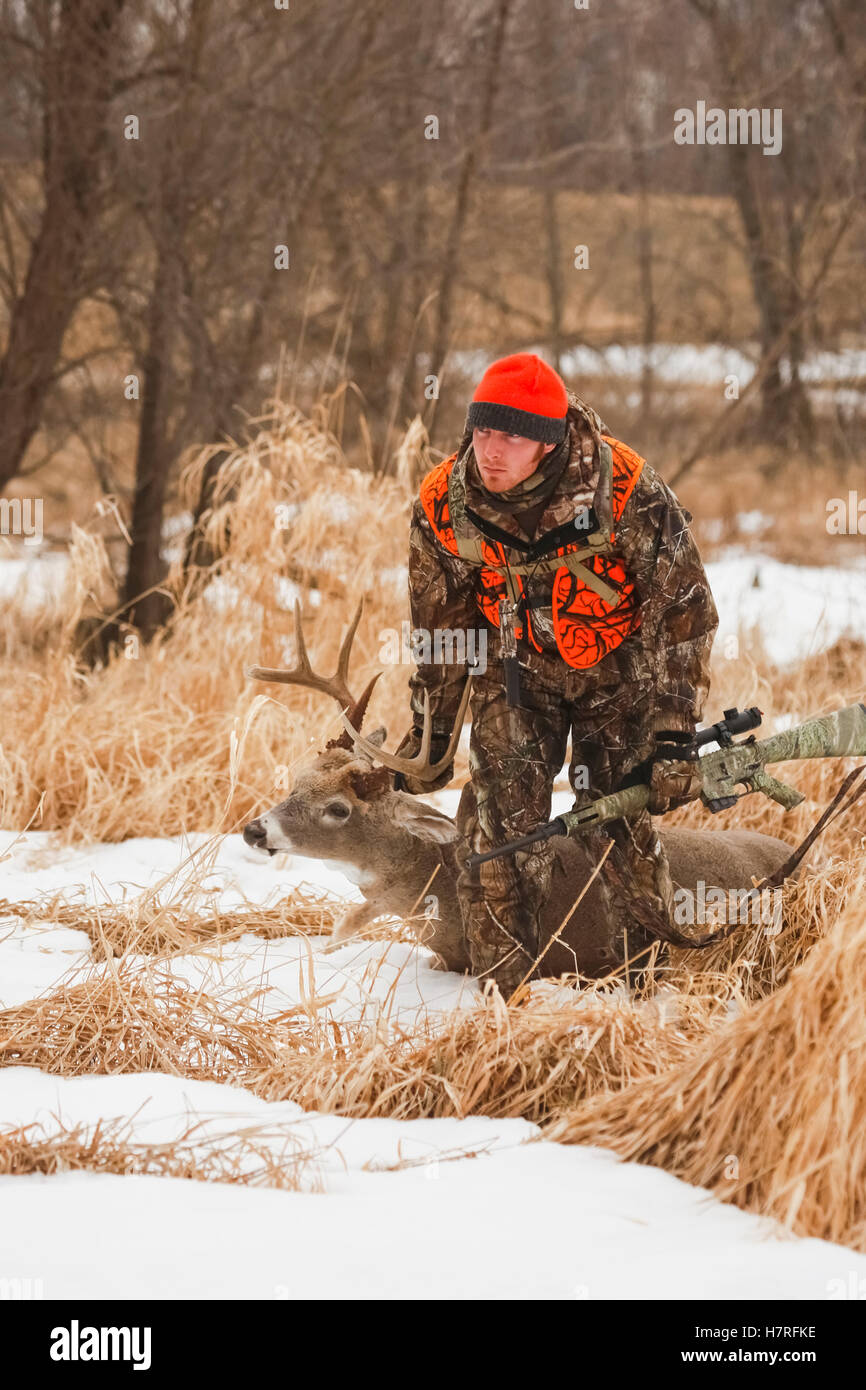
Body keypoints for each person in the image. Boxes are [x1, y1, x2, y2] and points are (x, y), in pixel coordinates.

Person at [396, 352, 718, 995]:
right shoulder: (444, 503)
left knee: (615, 826)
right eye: (483, 431)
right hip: (514, 678)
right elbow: (444, 630)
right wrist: (430, 737)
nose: (490, 450)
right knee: (497, 840)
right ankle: (496, 999)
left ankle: (640, 990)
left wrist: (673, 732)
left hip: (619, 678)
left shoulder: (624, 488)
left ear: (547, 439)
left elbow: (687, 614)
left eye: (511, 436)